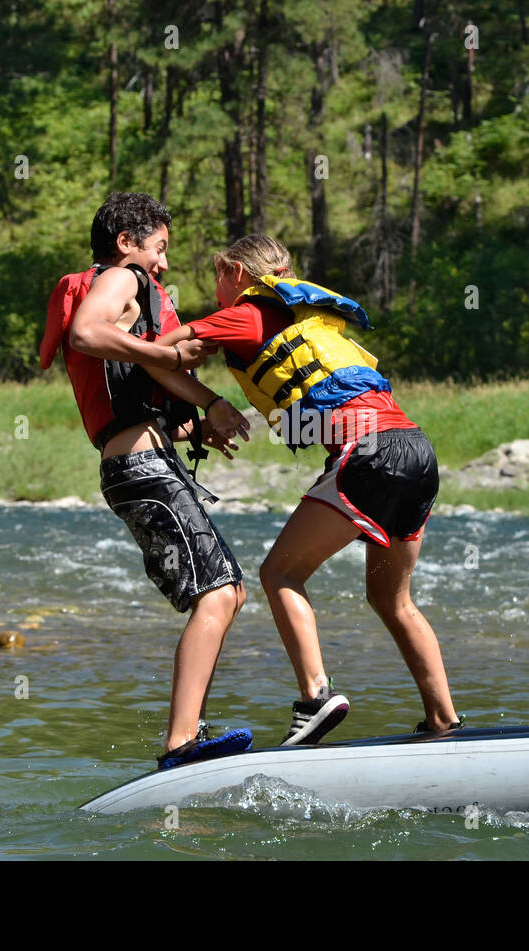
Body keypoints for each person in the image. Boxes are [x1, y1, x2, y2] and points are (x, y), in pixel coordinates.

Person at [155, 233, 460, 745]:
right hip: (416, 451)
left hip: (370, 454)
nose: (216, 289)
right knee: (393, 601)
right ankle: (443, 722)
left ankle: (316, 698)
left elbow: (156, 352)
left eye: (217, 276)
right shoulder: (301, 316)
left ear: (237, 272)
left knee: (280, 573)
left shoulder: (246, 313)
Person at [39, 193, 253, 769]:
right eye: (158, 249)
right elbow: (85, 332)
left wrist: (206, 411)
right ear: (126, 243)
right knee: (219, 592)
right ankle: (181, 747)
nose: (162, 263)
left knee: (227, 592)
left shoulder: (133, 292)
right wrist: (156, 352)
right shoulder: (119, 278)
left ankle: (190, 738)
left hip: (140, 465)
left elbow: (146, 377)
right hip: (140, 469)